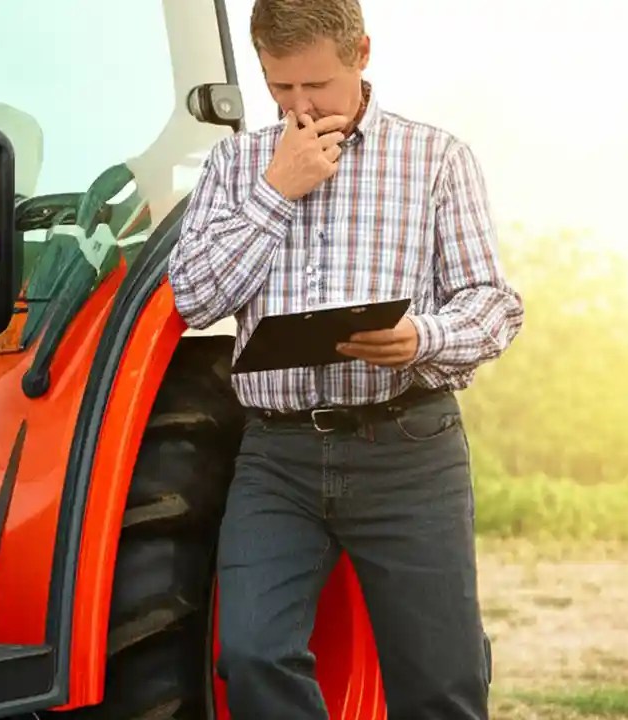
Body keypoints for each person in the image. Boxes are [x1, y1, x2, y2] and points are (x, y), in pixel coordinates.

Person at [166, 0, 524, 718]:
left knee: (440, 680)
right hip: (277, 455)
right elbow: (195, 297)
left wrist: (421, 338)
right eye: (280, 88)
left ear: (362, 53)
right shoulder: (238, 166)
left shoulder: (436, 159)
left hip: (408, 448)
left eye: (316, 87)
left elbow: (493, 305)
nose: (299, 107)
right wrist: (278, 190)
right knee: (252, 652)